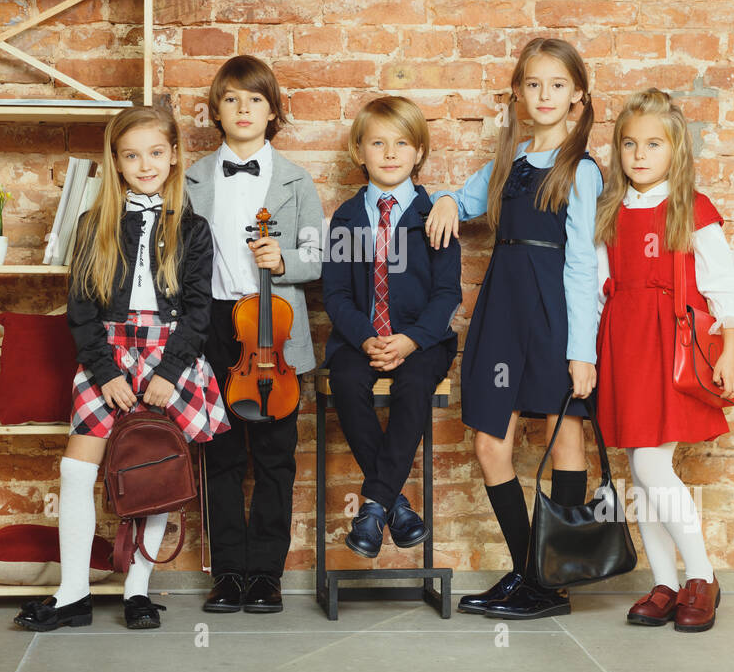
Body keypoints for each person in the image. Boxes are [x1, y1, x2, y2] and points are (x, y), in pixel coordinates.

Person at [14, 105, 228, 632]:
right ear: (115, 162)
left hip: (168, 354)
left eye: (156, 153)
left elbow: (200, 310)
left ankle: (137, 591)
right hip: (107, 351)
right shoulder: (94, 225)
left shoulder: (195, 230)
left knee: (156, 471)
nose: (145, 164)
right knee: (76, 469)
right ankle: (73, 595)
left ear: (174, 156)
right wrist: (105, 372)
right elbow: (80, 310)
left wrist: (169, 372)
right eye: (131, 155)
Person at [426, 37, 603, 620]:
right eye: (533, 84)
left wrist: (582, 353)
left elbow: (581, 266)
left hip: (555, 315)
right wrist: (450, 200)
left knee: (565, 438)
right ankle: (531, 571)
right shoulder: (509, 161)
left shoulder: (580, 172)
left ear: (577, 95)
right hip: (503, 308)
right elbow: (463, 196)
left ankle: (550, 584)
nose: (545, 95)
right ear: (519, 95)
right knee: (488, 441)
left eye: (557, 84)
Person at [595, 88, 734, 633]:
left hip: (672, 343)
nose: (640, 155)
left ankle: (701, 576)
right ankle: (665, 583)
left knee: (650, 464)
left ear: (675, 150)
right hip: (623, 343)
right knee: (640, 474)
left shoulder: (692, 207)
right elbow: (598, 289)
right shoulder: (609, 211)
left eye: (653, 144)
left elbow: (723, 284)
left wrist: (730, 349)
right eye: (630, 144)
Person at [185, 55, 323, 613]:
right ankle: (228, 573)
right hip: (214, 324)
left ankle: (265, 574)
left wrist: (283, 259)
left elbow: (319, 255)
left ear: (273, 112)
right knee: (219, 455)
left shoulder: (296, 180)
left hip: (274, 330)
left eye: (256, 100)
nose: (244, 109)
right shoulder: (190, 178)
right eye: (232, 99)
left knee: (273, 456)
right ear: (217, 110)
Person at [322, 96, 462, 557]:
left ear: (419, 152)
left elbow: (447, 295)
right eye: (377, 142)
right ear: (358, 151)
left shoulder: (433, 216)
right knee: (344, 379)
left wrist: (409, 341)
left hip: (421, 340)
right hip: (359, 339)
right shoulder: (346, 218)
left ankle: (374, 506)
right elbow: (337, 296)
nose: (389, 152)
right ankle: (394, 505)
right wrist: (366, 338)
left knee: (415, 383)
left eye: (402, 143)